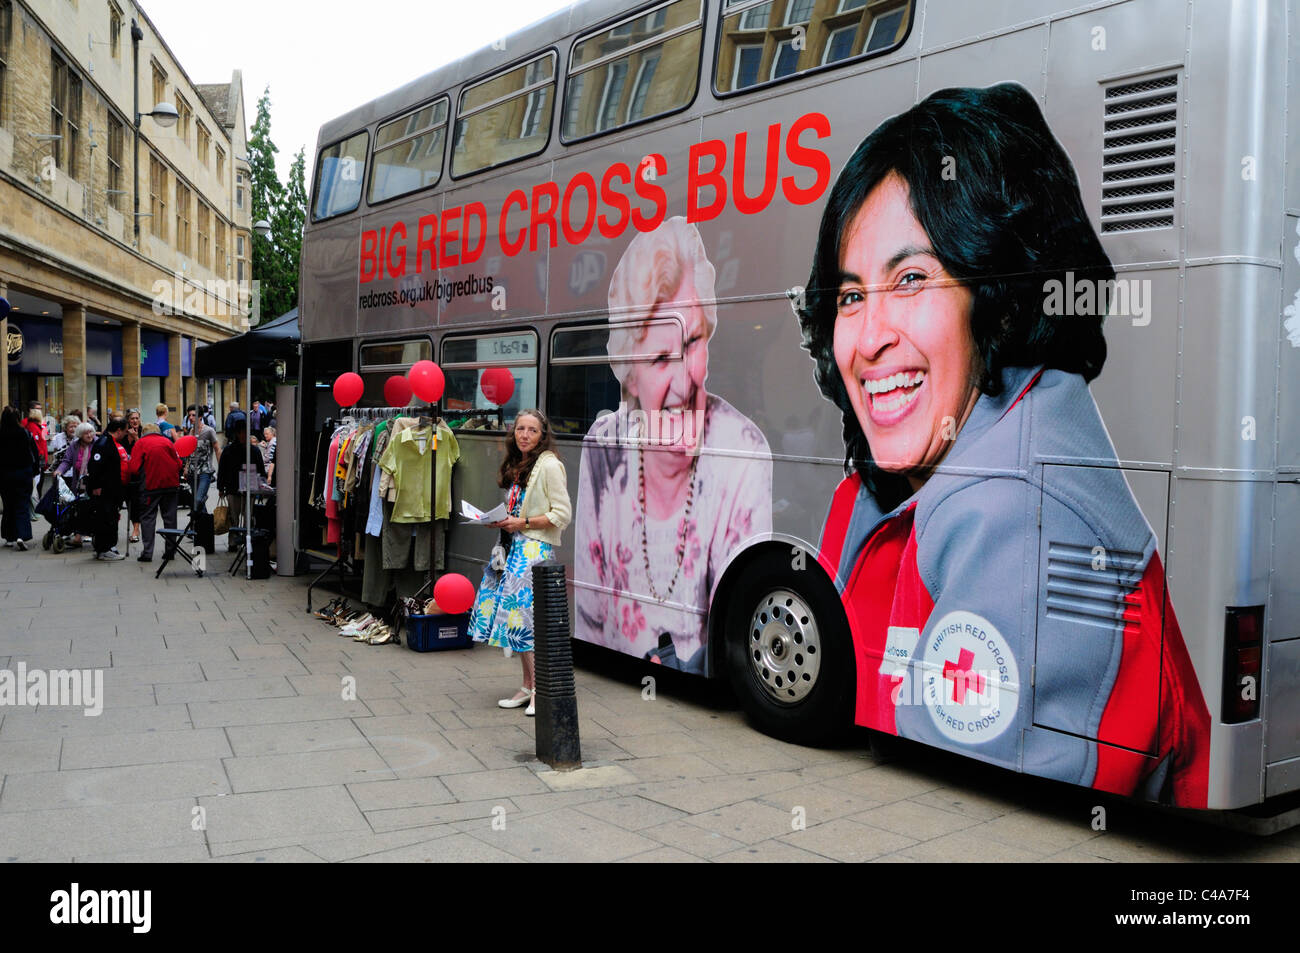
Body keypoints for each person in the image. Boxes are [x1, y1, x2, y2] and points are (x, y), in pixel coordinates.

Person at [793, 82, 1209, 807]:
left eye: (913, 278)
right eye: (852, 294)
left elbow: (956, 822)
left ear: (998, 301)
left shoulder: (1021, 518)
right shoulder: (884, 483)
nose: (867, 337)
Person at [573, 217, 773, 673]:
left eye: (694, 342)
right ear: (630, 373)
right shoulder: (604, 449)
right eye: (661, 358)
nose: (685, 381)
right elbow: (588, 620)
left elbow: (735, 631)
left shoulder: (743, 455)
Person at [469, 409, 572, 717]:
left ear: (543, 436)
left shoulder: (550, 466)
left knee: (527, 622)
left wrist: (522, 522)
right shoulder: (519, 464)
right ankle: (528, 686)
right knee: (514, 621)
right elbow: (516, 510)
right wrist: (499, 522)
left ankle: (541, 689)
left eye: (532, 430)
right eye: (520, 429)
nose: (525, 435)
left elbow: (562, 514)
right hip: (511, 548)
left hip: (532, 553)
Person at [128, 423, 183, 563]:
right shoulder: (168, 442)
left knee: (148, 518)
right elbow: (179, 463)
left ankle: (147, 553)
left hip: (150, 486)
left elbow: (133, 468)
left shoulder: (140, 443)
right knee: (170, 518)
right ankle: (170, 551)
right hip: (171, 485)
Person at [216, 420, 266, 549]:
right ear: (238, 433)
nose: (245, 435)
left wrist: (261, 484)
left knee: (247, 516)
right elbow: (222, 470)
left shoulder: (253, 450)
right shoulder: (230, 450)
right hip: (233, 488)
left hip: (250, 488)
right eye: (243, 432)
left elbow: (260, 469)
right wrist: (221, 487)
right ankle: (233, 541)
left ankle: (245, 540)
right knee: (234, 516)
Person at [84, 417, 128, 560]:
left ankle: (107, 546)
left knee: (111, 517)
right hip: (105, 489)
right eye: (125, 431)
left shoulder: (110, 442)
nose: (126, 434)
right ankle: (104, 548)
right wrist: (96, 485)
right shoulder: (104, 443)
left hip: (111, 487)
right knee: (105, 518)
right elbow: (95, 465)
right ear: (119, 430)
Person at [1, 407, 41, 550]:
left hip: (4, 475)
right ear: (18, 418)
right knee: (22, 504)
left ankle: (9, 536)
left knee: (8, 505)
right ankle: (21, 535)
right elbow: (34, 454)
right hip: (23, 473)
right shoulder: (25, 433)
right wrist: (36, 470)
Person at [54, 420, 97, 546]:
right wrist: (59, 471)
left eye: (91, 432)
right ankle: (78, 534)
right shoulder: (74, 445)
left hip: (94, 481)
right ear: (80, 435)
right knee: (79, 506)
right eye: (86, 433)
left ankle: (81, 535)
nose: (89, 435)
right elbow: (67, 461)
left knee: (87, 507)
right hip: (80, 482)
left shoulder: (98, 443)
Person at [184, 406, 220, 514]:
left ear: (200, 417)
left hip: (205, 471)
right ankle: (203, 527)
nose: (190, 417)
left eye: (193, 415)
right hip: (192, 472)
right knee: (197, 504)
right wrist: (186, 467)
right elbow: (188, 453)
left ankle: (203, 498)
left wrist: (221, 469)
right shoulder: (190, 432)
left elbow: (217, 449)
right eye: (189, 415)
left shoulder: (209, 431)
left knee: (198, 500)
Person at [122, 408, 144, 543]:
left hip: (139, 475)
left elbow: (144, 449)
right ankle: (134, 525)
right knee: (128, 502)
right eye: (132, 418)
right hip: (124, 474)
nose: (135, 421)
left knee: (136, 503)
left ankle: (136, 529)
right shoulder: (123, 435)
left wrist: (136, 437)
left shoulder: (143, 432)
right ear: (128, 420)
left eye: (137, 418)